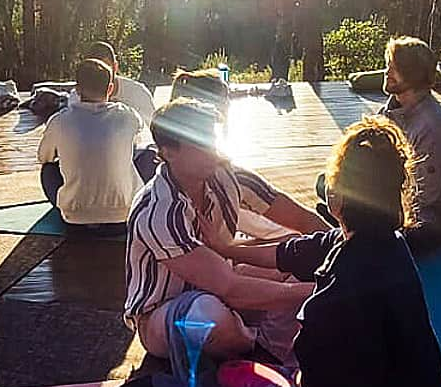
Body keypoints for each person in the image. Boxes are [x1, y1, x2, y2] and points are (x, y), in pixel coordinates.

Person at [212, 117, 441, 387]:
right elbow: (291, 251)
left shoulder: (334, 294)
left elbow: (314, 384)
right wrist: (226, 249)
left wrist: (294, 374)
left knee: (232, 374)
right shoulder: (389, 245)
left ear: (337, 198)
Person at [123, 99, 328, 363]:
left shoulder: (227, 177)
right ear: (168, 153)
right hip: (164, 312)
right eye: (198, 141)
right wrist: (327, 288)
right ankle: (259, 346)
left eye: (210, 137)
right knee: (209, 317)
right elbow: (227, 286)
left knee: (303, 251)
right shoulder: (158, 211)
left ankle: (273, 349)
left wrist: (348, 252)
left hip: (224, 283)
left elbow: (302, 219)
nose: (211, 149)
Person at [318, 37, 441, 254]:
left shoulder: (433, 126)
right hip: (390, 196)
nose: (387, 72)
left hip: (431, 218)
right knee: (326, 182)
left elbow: (423, 196)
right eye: (388, 65)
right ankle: (353, 229)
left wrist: (372, 208)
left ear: (414, 75)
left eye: (394, 68)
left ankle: (352, 232)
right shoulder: (392, 110)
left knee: (383, 238)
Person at [38, 59, 145, 235]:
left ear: (77, 89)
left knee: (48, 169)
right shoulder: (128, 116)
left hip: (75, 220)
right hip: (122, 219)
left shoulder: (59, 120)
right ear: (111, 88)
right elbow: (139, 138)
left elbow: (44, 157)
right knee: (142, 155)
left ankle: (74, 205)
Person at [68, 40, 156, 125]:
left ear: (115, 67)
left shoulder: (139, 94)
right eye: (92, 71)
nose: (99, 75)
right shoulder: (76, 97)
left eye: (105, 67)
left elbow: (152, 133)